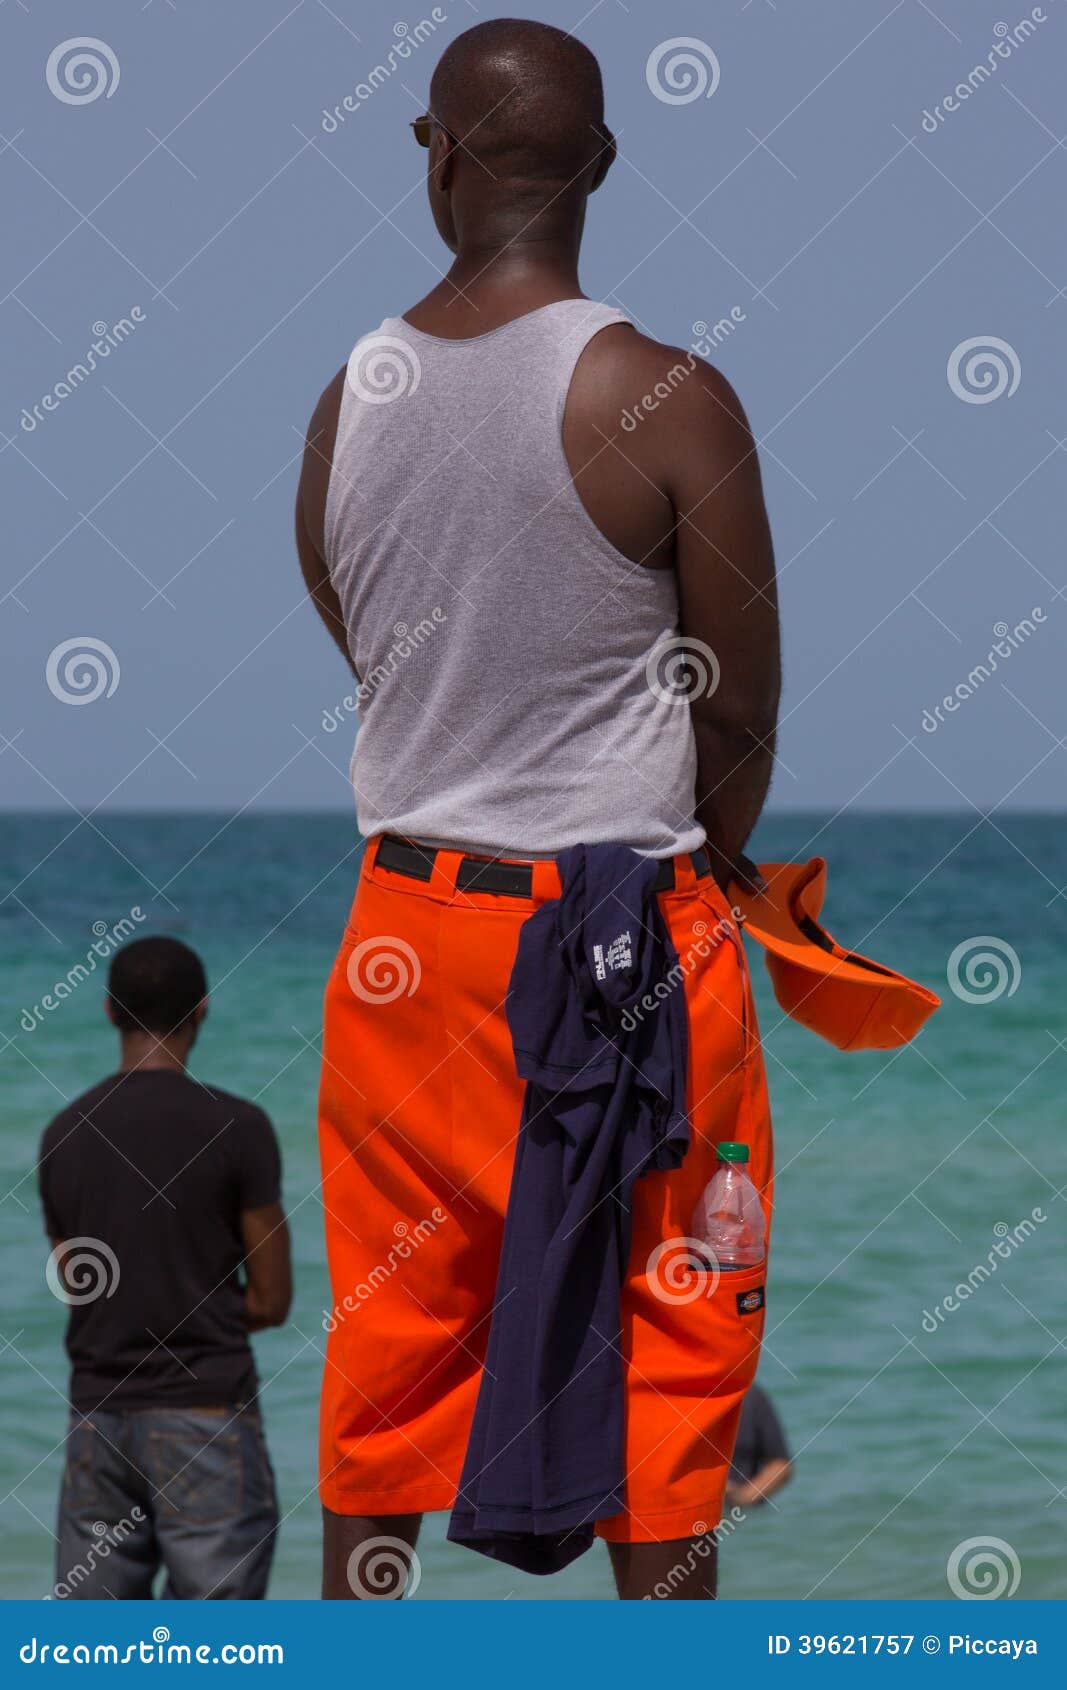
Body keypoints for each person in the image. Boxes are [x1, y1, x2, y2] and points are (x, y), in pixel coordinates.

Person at [298, 17, 779, 1601]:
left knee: (393, 1338)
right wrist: (710, 856)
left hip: (406, 940)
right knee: (674, 1321)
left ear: (430, 156)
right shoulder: (665, 395)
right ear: (604, 167)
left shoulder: (346, 405)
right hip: (625, 935)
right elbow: (735, 697)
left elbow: (366, 641)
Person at [38, 936, 291, 1600]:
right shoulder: (240, 1127)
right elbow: (272, 1299)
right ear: (201, 1012)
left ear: (108, 1011)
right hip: (207, 1413)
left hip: (98, 1417)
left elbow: (76, 1281)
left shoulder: (63, 1133)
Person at [726, 1382, 794, 1510]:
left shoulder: (751, 1396)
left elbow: (780, 1465)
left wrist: (743, 1497)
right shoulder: (679, 1399)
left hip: (737, 1510)